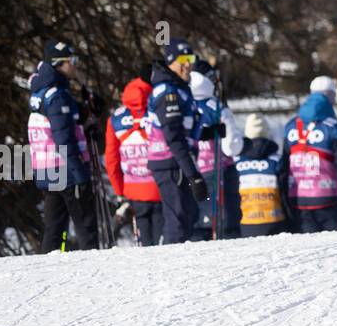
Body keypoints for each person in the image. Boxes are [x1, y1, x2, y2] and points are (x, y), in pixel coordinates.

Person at [27, 40, 100, 253]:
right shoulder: (58, 95)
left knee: (55, 228)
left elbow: (64, 127)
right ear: (59, 64)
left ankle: (49, 273)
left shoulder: (42, 91)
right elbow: (64, 139)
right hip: (66, 170)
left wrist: (86, 115)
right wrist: (81, 176)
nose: (75, 65)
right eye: (72, 61)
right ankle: (98, 272)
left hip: (47, 169)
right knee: (86, 226)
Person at [145, 39, 208, 244]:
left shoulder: (180, 88)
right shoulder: (168, 92)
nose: (187, 64)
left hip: (178, 161)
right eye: (182, 60)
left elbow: (184, 131)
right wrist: (193, 174)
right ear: (171, 62)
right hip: (170, 163)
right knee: (178, 221)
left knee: (189, 217)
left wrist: (209, 132)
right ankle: (171, 268)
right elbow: (173, 138)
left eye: (190, 58)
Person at [281, 76, 337, 232]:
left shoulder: (291, 125)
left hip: (297, 199)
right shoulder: (335, 127)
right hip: (329, 198)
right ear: (330, 96)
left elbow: (283, 165)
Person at [104, 67, 163, 246]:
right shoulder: (158, 110)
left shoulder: (116, 117)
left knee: (144, 245)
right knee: (166, 246)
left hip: (133, 189)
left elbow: (111, 159)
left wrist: (120, 190)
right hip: (161, 187)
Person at [190, 61, 243, 240]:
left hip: (192, 172)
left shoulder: (184, 103)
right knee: (227, 225)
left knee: (198, 225)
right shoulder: (217, 107)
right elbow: (231, 147)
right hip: (219, 172)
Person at [234, 113, 290, 237]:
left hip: (246, 223)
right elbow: (285, 194)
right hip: (276, 222)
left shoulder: (236, 162)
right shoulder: (277, 160)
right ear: (267, 132)